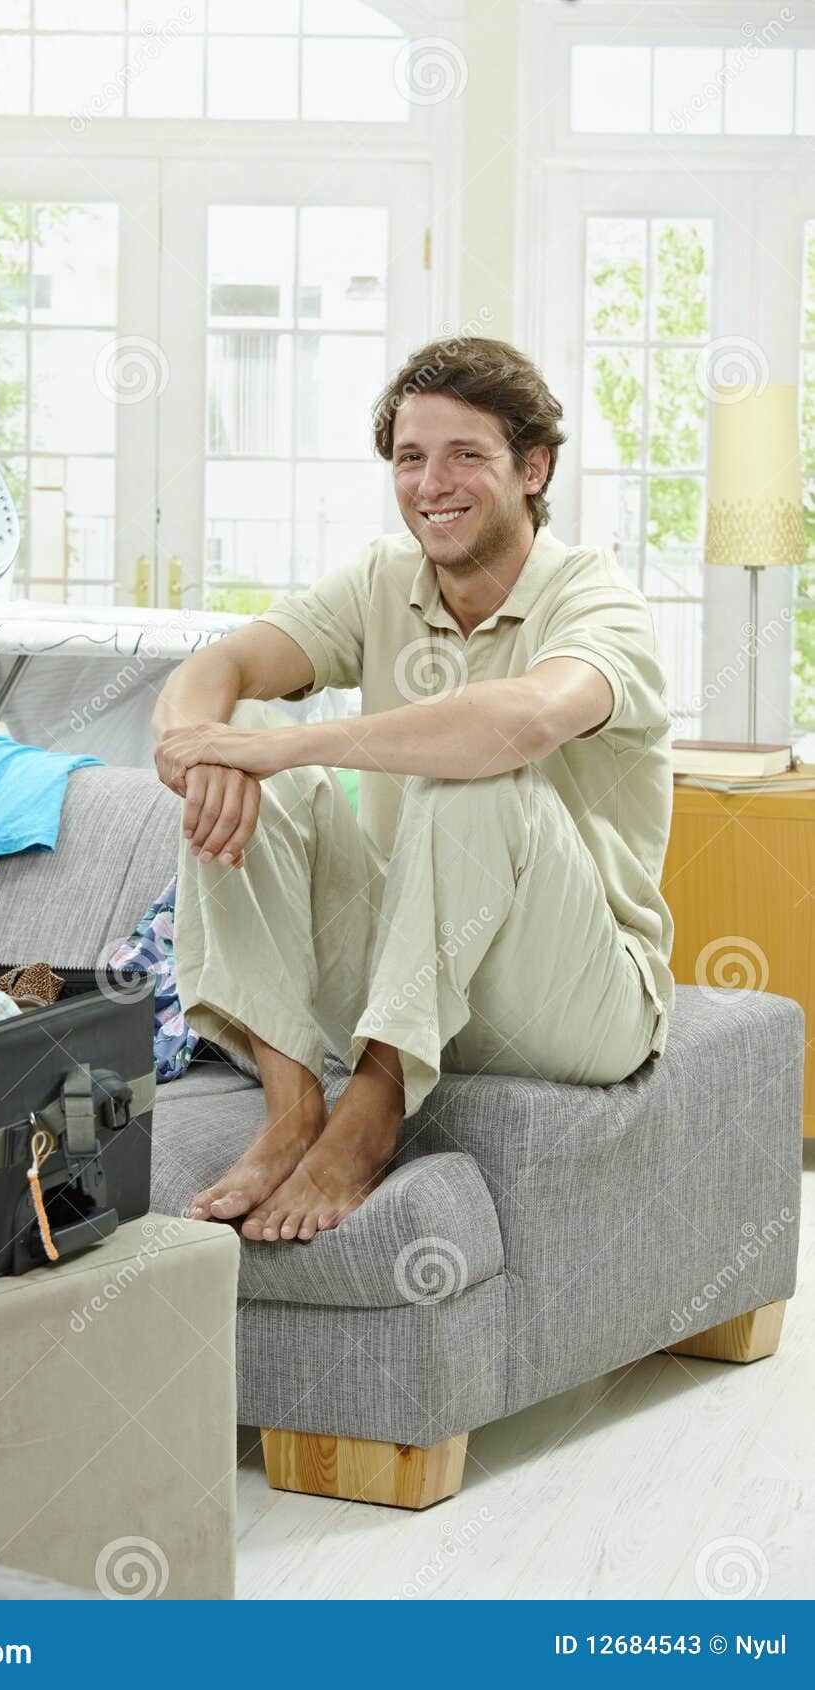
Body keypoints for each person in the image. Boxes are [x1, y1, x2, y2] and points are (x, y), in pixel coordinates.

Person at [152, 336, 674, 1245]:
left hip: (571, 996)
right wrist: (201, 753)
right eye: (409, 458)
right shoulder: (381, 581)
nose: (431, 483)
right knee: (256, 771)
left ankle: (376, 1104)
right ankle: (289, 1105)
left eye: (466, 454)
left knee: (471, 773)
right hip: (409, 969)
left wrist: (288, 745)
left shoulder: (600, 602)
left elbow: (515, 725)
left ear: (533, 468)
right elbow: (223, 663)